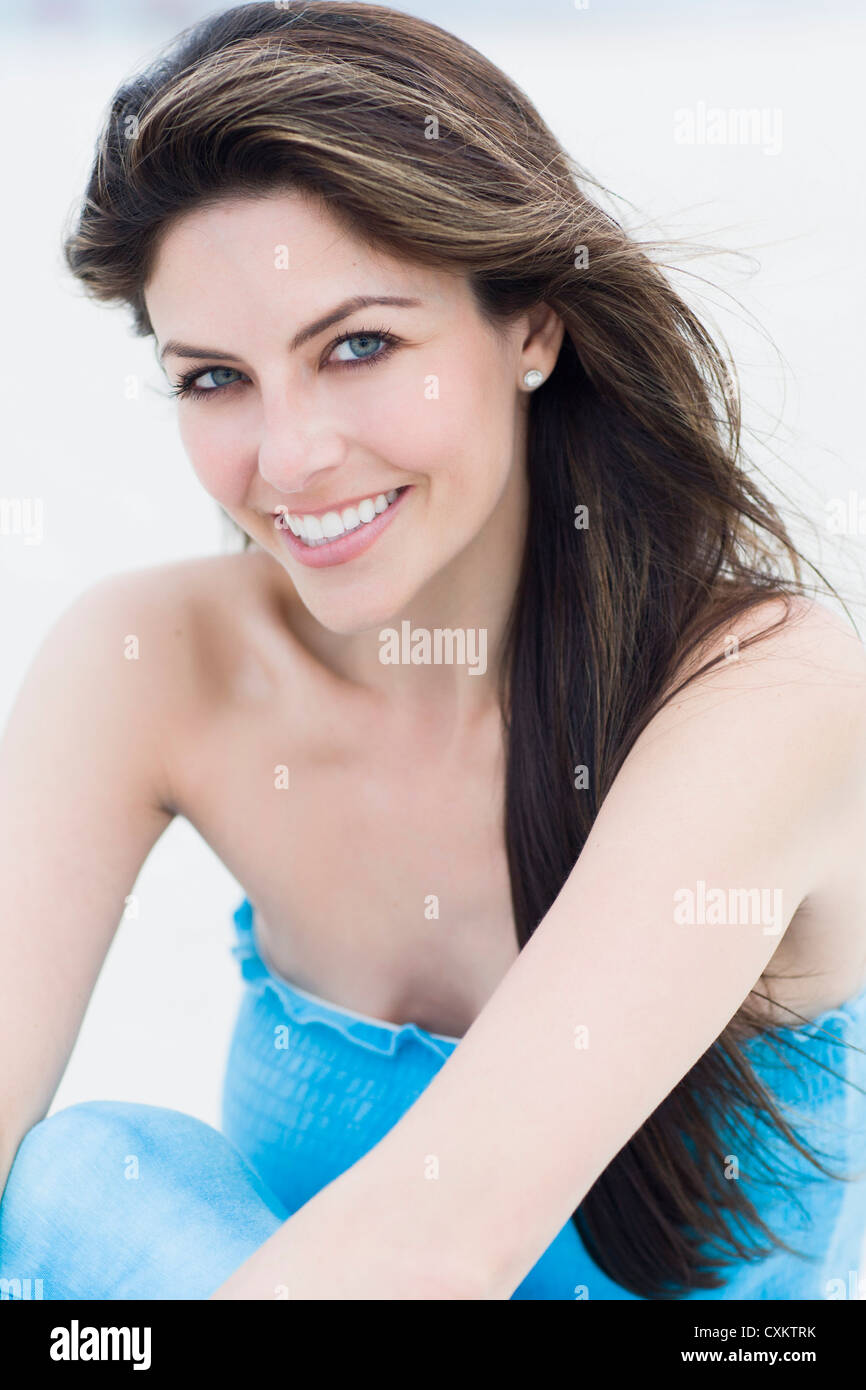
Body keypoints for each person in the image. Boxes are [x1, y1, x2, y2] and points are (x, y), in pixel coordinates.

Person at [1, 0, 865, 1302]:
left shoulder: (766, 697)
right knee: (94, 1173)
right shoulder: (154, 662)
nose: (286, 459)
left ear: (530, 327)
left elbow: (434, 1251)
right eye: (213, 377)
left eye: (358, 346)